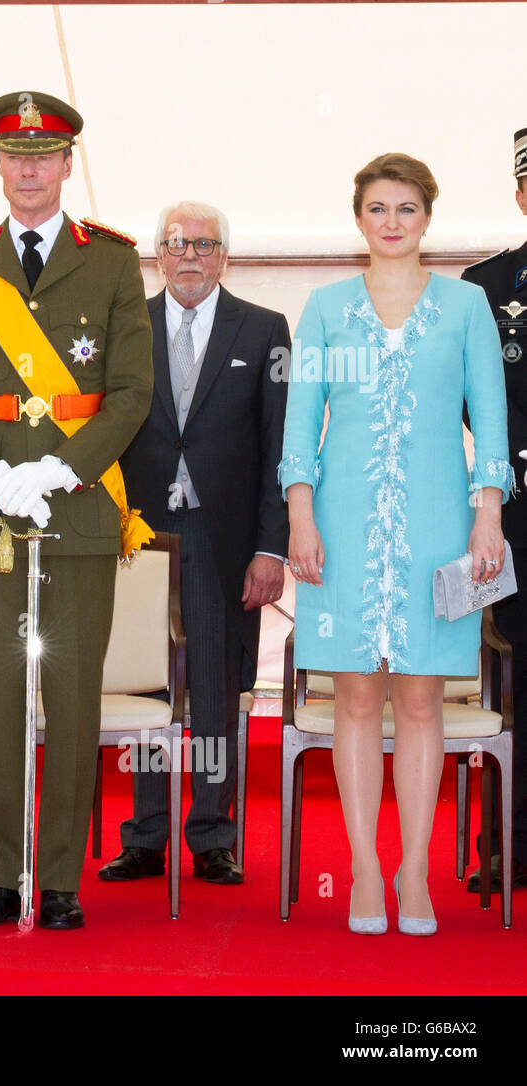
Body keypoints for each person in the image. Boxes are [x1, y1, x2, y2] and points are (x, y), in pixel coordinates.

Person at [0, 91, 153, 929]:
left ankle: (58, 882)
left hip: (80, 511)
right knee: (1, 701)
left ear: (67, 163)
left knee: (74, 697)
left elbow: (130, 395)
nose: (28, 169)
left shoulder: (115, 262)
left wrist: (61, 467)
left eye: (44, 155)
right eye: (14, 155)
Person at [281, 153, 510, 935]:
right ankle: (365, 875)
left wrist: (489, 514)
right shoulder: (323, 309)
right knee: (352, 697)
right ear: (358, 218)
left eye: (406, 208)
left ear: (427, 218)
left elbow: (493, 425)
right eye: (377, 208)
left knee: (420, 698)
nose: (391, 222)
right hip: (339, 526)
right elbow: (298, 425)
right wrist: (299, 516)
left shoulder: (468, 307)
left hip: (442, 525)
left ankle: (414, 873)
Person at [103, 201, 290, 886]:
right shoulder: (127, 327)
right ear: (157, 254)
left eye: (205, 244)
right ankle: (146, 836)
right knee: (150, 687)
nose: (191, 256)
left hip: (224, 541)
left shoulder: (266, 330)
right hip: (139, 540)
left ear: (224, 256)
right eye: (178, 244)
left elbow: (279, 449)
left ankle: (212, 833)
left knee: (213, 688)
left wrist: (272, 550)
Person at [461, 126, 527, 895]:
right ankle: (507, 845)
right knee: (512, 684)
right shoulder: (485, 288)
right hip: (514, 518)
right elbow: (463, 408)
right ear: (518, 196)